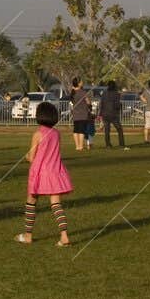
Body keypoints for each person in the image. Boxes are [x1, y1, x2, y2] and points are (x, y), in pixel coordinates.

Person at [16, 101, 71, 246]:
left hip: (39, 173)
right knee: (56, 204)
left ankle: (28, 235)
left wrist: (26, 156)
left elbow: (32, 157)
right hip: (55, 172)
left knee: (31, 202)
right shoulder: (57, 133)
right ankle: (64, 236)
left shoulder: (38, 134)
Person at [99, 81, 125, 150]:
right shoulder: (116, 94)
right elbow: (117, 105)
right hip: (113, 114)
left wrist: (100, 114)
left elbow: (101, 104)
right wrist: (120, 107)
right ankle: (121, 144)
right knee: (119, 129)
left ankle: (108, 145)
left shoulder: (104, 93)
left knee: (107, 130)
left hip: (105, 114)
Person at [68, 78, 93, 152]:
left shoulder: (72, 92)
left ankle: (77, 146)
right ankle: (81, 146)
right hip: (83, 114)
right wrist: (90, 107)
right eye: (81, 81)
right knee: (81, 131)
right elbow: (88, 102)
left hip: (75, 114)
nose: (82, 82)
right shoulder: (82, 92)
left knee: (76, 130)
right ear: (78, 83)